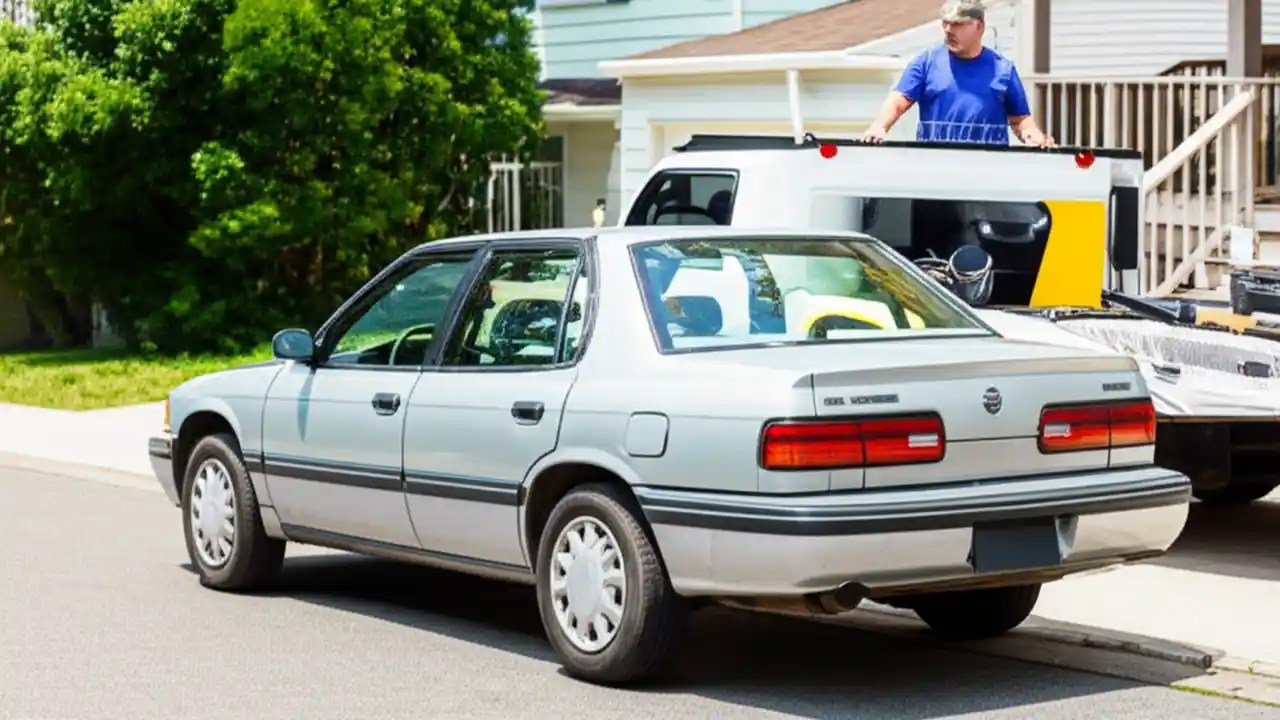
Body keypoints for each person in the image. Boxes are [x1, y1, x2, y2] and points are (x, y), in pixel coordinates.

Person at [862, 0, 1054, 147]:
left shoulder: (1002, 69)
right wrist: (880, 126)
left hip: (988, 171)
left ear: (979, 26)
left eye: (957, 24)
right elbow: (899, 99)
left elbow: (1021, 120)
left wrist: (1035, 138)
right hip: (935, 168)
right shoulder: (927, 62)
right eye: (945, 23)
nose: (948, 30)